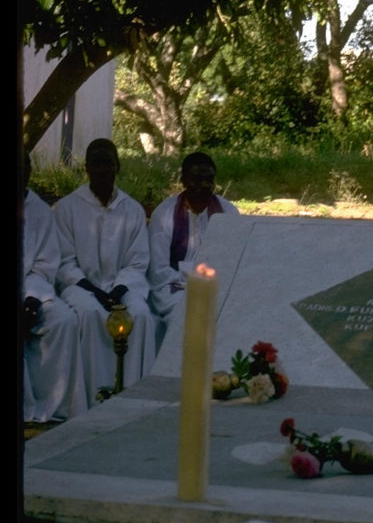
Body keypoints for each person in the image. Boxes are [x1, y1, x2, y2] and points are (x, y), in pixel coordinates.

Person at [54, 138, 157, 405]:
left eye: (107, 164)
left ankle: (133, 396)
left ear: (117, 167)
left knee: (142, 316)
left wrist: (117, 291)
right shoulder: (67, 208)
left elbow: (138, 262)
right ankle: (95, 398)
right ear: (86, 168)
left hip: (123, 287)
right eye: (96, 165)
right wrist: (97, 292)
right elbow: (65, 262)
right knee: (90, 314)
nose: (102, 171)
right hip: (82, 287)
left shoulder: (131, 209)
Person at [22, 151, 87, 423]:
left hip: (31, 289)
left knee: (64, 320)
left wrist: (31, 300)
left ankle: (55, 409)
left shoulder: (37, 209)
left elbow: (45, 264)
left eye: (23, 166)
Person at [148, 151, 239, 341]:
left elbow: (234, 259)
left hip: (216, 288)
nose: (204, 185)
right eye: (197, 179)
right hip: (173, 290)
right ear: (183, 181)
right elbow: (158, 272)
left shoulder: (228, 212)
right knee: (187, 319)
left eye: (209, 179)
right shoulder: (164, 214)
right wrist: (194, 280)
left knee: (233, 318)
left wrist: (210, 282)